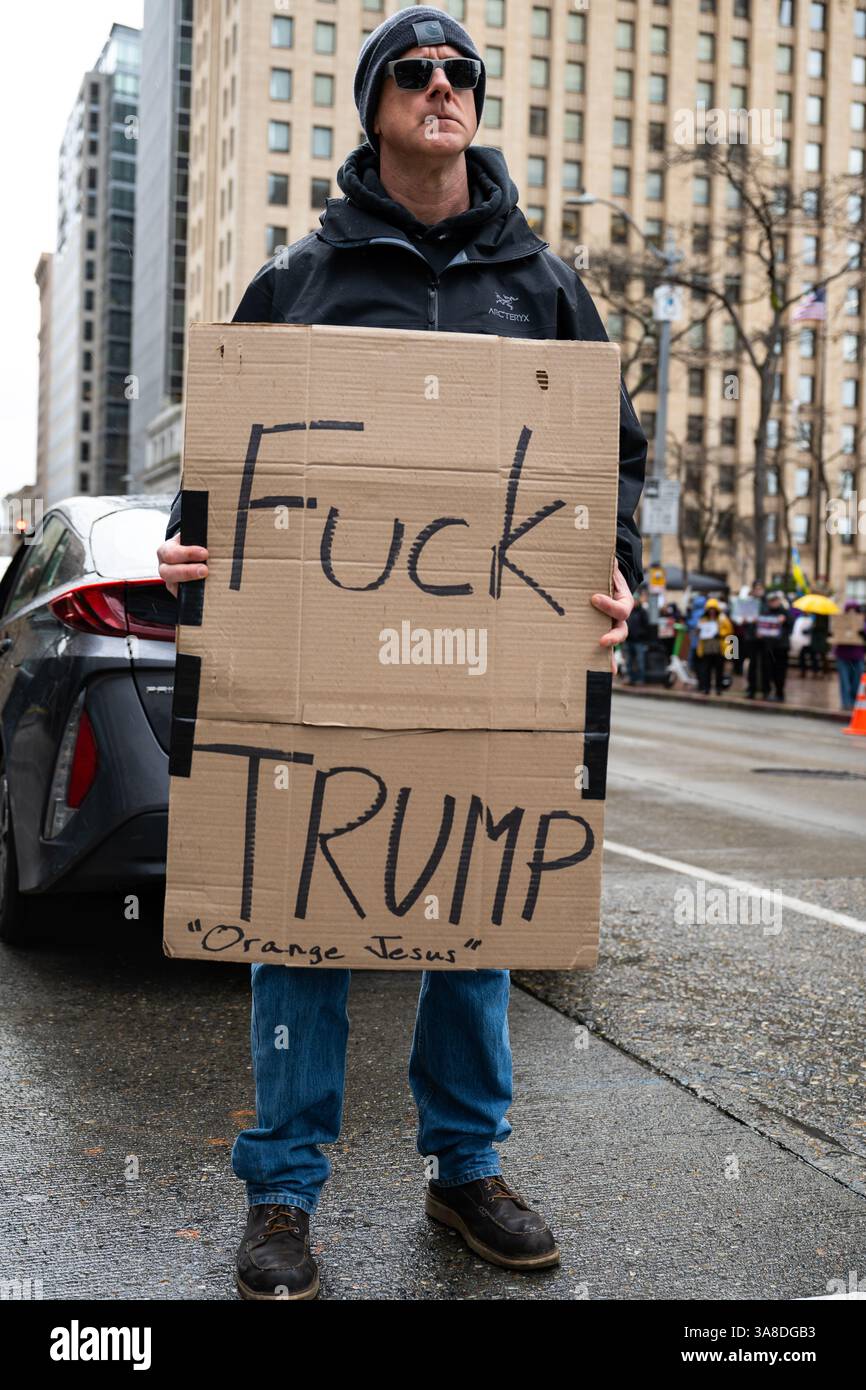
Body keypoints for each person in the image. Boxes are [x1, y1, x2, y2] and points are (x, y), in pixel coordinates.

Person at [156, 6, 647, 1302]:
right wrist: (189, 551)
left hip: (486, 664)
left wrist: (616, 576)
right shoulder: (299, 279)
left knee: (473, 910)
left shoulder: (540, 287)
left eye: (462, 75)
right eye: (417, 73)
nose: (444, 88)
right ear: (374, 104)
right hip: (324, 658)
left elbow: (612, 457)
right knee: (300, 918)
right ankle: (282, 1192)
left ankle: (465, 1166)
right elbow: (223, 463)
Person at [756, 590, 795, 702]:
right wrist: (759, 633)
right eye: (771, 601)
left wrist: (785, 620)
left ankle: (779, 693)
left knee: (780, 671)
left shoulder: (785, 612)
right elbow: (760, 626)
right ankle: (766, 691)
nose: (773, 603)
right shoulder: (765, 612)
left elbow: (791, 625)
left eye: (775, 600)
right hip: (768, 647)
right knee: (767, 670)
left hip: (781, 647)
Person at [694, 597, 733, 695]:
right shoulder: (703, 619)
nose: (711, 611)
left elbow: (730, 630)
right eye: (710, 609)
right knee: (706, 669)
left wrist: (720, 633)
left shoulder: (722, 618)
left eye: (713, 609)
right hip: (706, 647)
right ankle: (706, 688)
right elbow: (698, 631)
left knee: (719, 669)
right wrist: (698, 631)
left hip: (718, 647)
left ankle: (718, 688)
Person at [832, 601, 866, 711]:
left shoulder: (862, 622)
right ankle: (846, 703)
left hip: (858, 656)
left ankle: (854, 702)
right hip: (843, 655)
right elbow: (835, 634)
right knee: (845, 681)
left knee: (856, 681)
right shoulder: (841, 621)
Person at [625, 587, 651, 684]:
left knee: (640, 661)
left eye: (635, 600)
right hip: (629, 640)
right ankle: (631, 678)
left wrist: (642, 635)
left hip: (639, 641)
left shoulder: (642, 612)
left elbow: (646, 626)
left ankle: (640, 679)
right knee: (629, 662)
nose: (634, 602)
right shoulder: (629, 611)